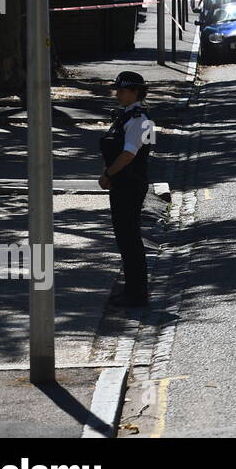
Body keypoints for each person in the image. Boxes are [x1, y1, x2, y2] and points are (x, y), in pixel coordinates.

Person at [99, 71, 154, 307]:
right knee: (125, 238)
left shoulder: (139, 120)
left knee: (130, 238)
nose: (118, 94)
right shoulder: (126, 117)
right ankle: (132, 289)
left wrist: (108, 173)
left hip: (130, 184)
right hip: (123, 182)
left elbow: (129, 154)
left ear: (135, 92)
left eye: (122, 90)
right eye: (117, 90)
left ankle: (137, 293)